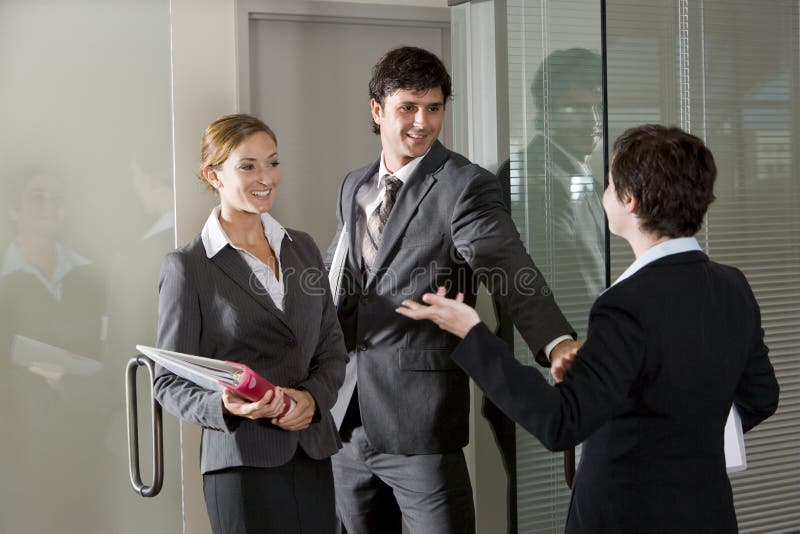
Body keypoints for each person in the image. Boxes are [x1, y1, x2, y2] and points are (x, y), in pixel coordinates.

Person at [397, 124, 780, 533]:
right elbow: (760, 397)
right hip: (708, 513)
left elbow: (560, 424)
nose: (605, 193)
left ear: (629, 201)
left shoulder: (625, 304)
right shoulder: (733, 286)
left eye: (611, 184)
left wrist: (472, 334)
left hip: (625, 516)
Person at [325, 46, 579, 534]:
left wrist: (555, 342)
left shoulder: (465, 186)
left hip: (420, 423)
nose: (422, 122)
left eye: (434, 108)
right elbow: (340, 279)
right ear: (377, 110)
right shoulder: (353, 187)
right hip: (347, 421)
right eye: (408, 107)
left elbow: (508, 267)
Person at [153, 113, 347, 534]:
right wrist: (223, 405)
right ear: (214, 175)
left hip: (312, 452)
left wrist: (312, 400)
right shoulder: (188, 267)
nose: (267, 177)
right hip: (240, 463)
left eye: (273, 163)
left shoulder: (303, 248)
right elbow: (167, 383)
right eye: (248, 166)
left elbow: (332, 348)